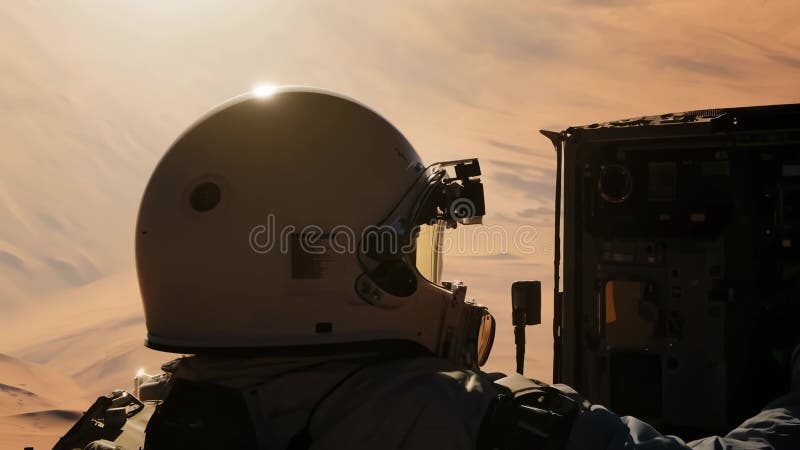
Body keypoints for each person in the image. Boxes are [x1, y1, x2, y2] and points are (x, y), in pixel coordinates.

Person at [55, 87, 800, 450]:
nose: (434, 277)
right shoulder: (477, 423)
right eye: (412, 244)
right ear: (345, 265)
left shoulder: (123, 426)